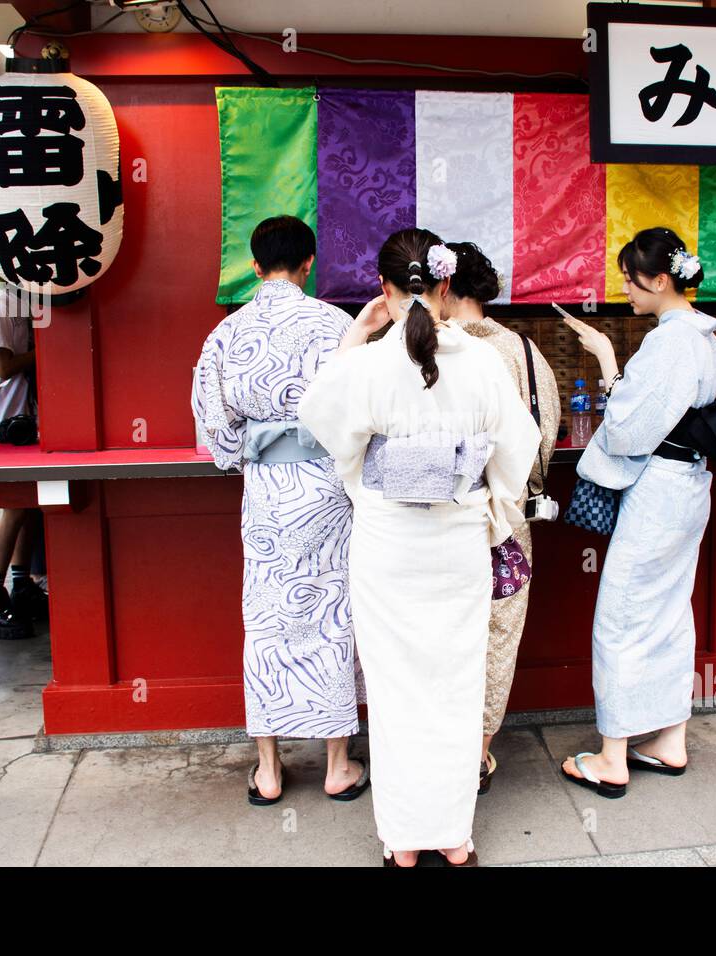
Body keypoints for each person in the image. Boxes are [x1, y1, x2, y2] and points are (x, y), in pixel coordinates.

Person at [299, 228, 540, 866]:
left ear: (385, 289)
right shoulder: (483, 363)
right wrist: (488, 509)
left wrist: (358, 332)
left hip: (387, 547)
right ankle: (454, 837)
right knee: (456, 686)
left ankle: (402, 841)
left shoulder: (370, 365)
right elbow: (516, 457)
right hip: (457, 543)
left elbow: (324, 426)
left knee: (396, 689)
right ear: (444, 284)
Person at [191, 216, 368, 805]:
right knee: (332, 615)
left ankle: (268, 771)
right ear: (309, 262)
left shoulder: (227, 334)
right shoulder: (337, 325)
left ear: (256, 264)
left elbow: (216, 432)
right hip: (328, 489)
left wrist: (253, 451)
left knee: (266, 621)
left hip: (267, 492)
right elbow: (362, 414)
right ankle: (337, 765)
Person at [557, 227, 716, 797]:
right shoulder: (709, 339)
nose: (624, 287)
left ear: (660, 280)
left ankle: (611, 756)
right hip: (690, 485)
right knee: (672, 610)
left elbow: (628, 429)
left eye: (630, 278)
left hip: (658, 492)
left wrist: (606, 360)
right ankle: (670, 739)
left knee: (623, 614)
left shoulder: (670, 342)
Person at [440, 241, 560, 794]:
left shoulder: (430, 350)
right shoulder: (526, 353)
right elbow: (545, 442)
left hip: (440, 522)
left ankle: (435, 748)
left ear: (445, 287)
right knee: (497, 636)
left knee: (443, 639)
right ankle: (478, 755)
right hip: (508, 523)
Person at [0, 286, 47, 640]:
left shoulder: (25, 303)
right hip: (4, 424)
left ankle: (21, 584)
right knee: (13, 512)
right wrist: (47, 348)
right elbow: (3, 365)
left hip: (24, 422)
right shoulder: (2, 304)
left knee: (29, 507)